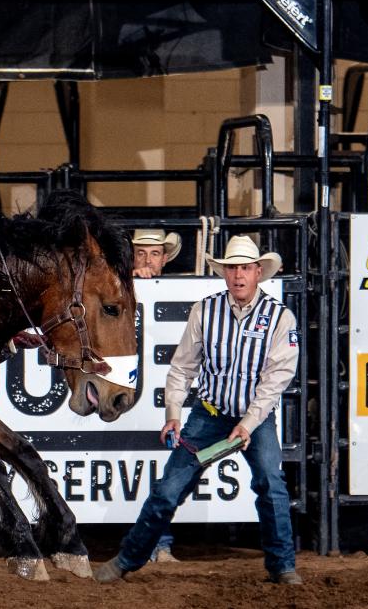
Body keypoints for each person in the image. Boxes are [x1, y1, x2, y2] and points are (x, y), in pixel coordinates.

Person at [95, 235, 302, 585]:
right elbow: (182, 368)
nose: (238, 275)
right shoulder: (205, 310)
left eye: (245, 268)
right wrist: (173, 412)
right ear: (224, 273)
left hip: (256, 417)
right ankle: (127, 559)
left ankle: (282, 565)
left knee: (272, 484)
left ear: (257, 273)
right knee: (168, 490)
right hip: (209, 413)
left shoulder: (280, 318)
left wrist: (249, 423)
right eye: (233, 268)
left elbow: (277, 379)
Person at [130, 228, 180, 563]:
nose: (148, 260)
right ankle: (158, 544)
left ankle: (161, 544)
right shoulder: (117, 281)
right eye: (142, 253)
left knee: (161, 467)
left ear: (164, 258)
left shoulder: (179, 291)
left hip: (160, 391)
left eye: (155, 253)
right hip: (130, 390)